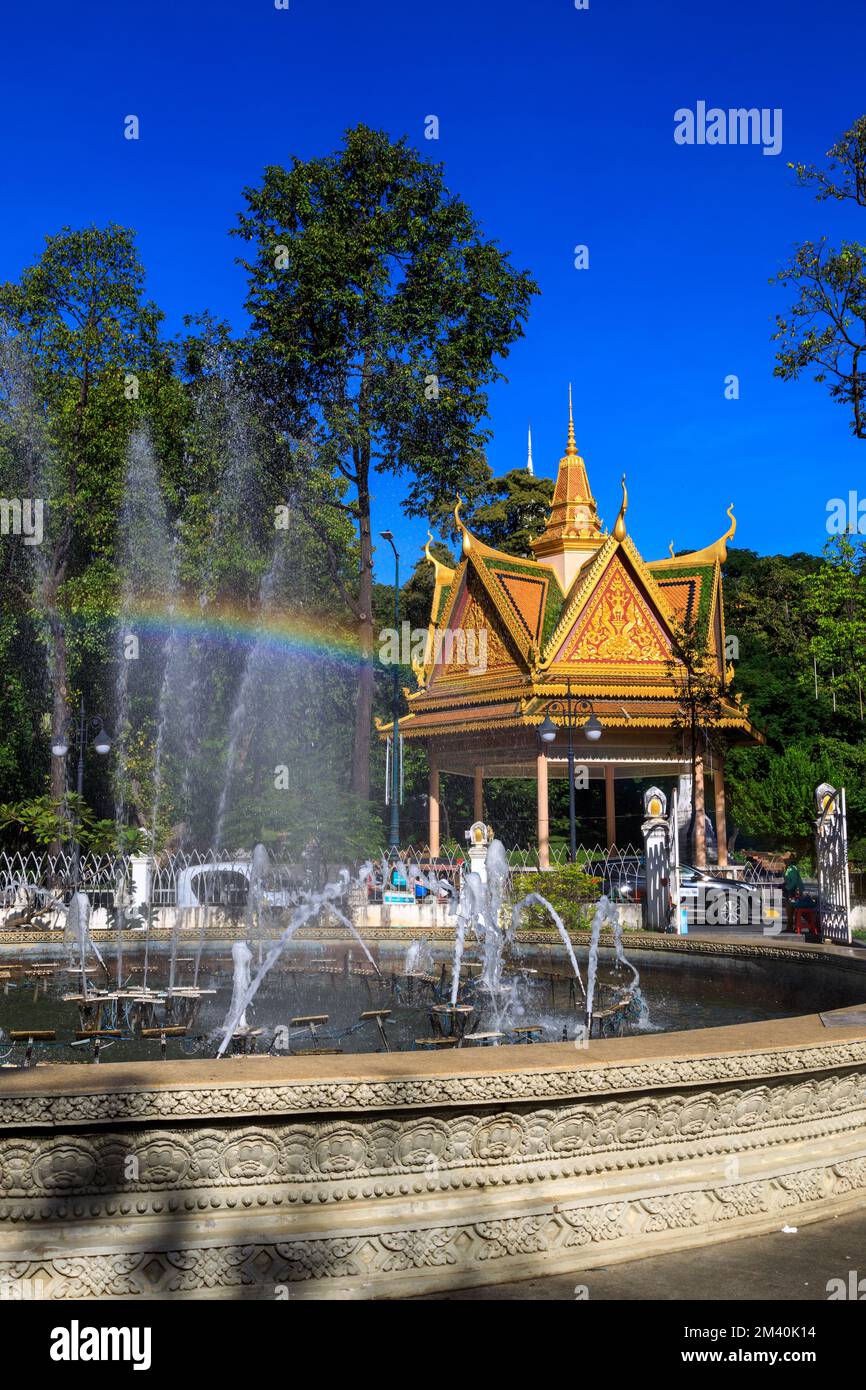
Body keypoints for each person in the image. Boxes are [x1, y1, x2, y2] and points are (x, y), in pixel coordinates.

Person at [782, 860, 803, 932]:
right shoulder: (788, 868)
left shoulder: (792, 869)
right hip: (791, 891)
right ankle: (791, 927)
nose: (783, 862)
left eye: (785, 861)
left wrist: (787, 887)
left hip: (793, 891)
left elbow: (794, 881)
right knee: (790, 909)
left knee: (791, 909)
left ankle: (792, 927)